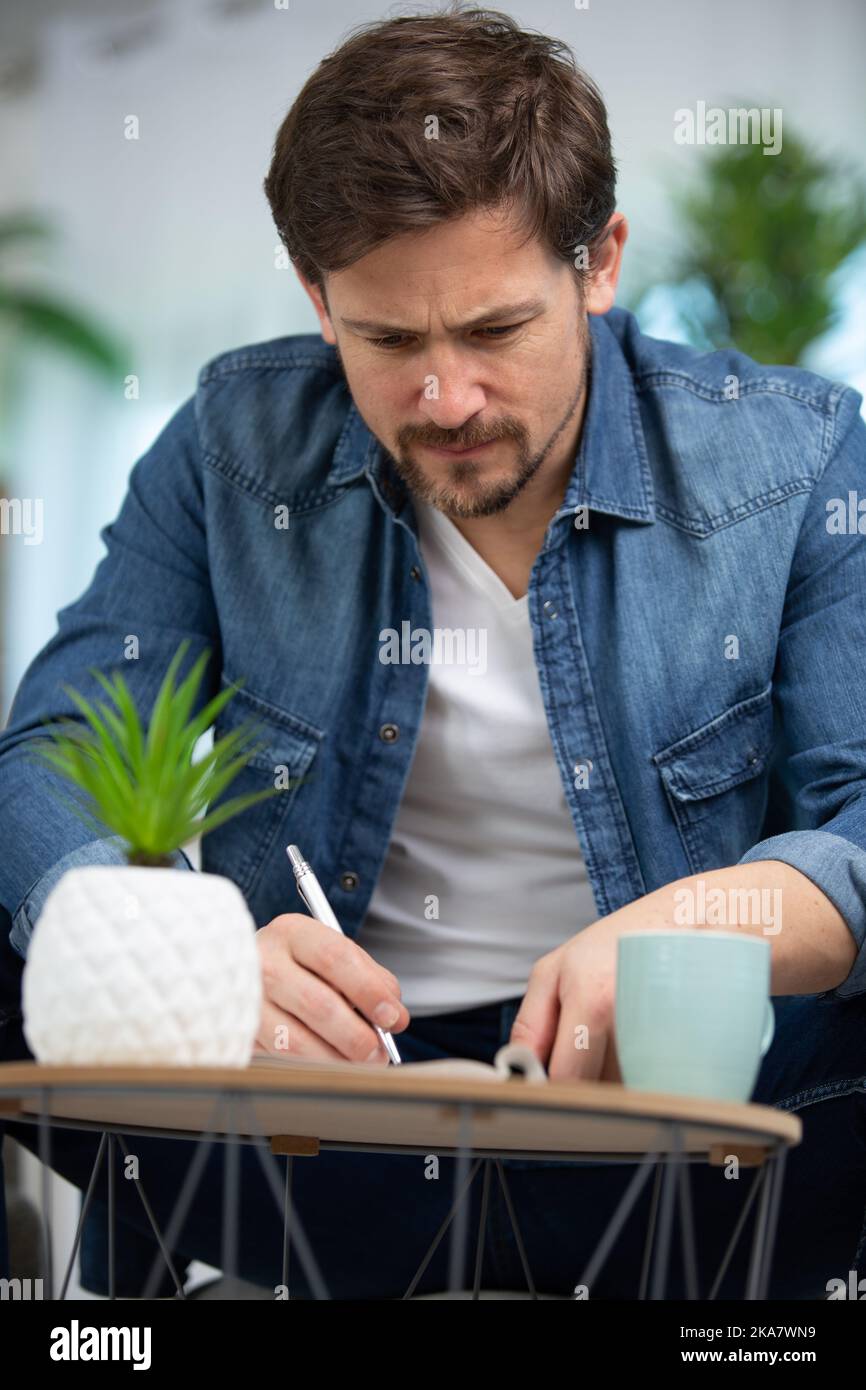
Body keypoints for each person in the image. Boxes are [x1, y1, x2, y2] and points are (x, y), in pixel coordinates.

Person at [1, 7, 865, 1299]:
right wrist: (198, 963)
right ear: (316, 296)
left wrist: (699, 921)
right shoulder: (235, 446)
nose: (445, 399)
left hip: (688, 1131)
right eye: (388, 341)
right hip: (326, 1130)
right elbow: (59, 740)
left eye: (495, 332)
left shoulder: (792, 459)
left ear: (599, 261)